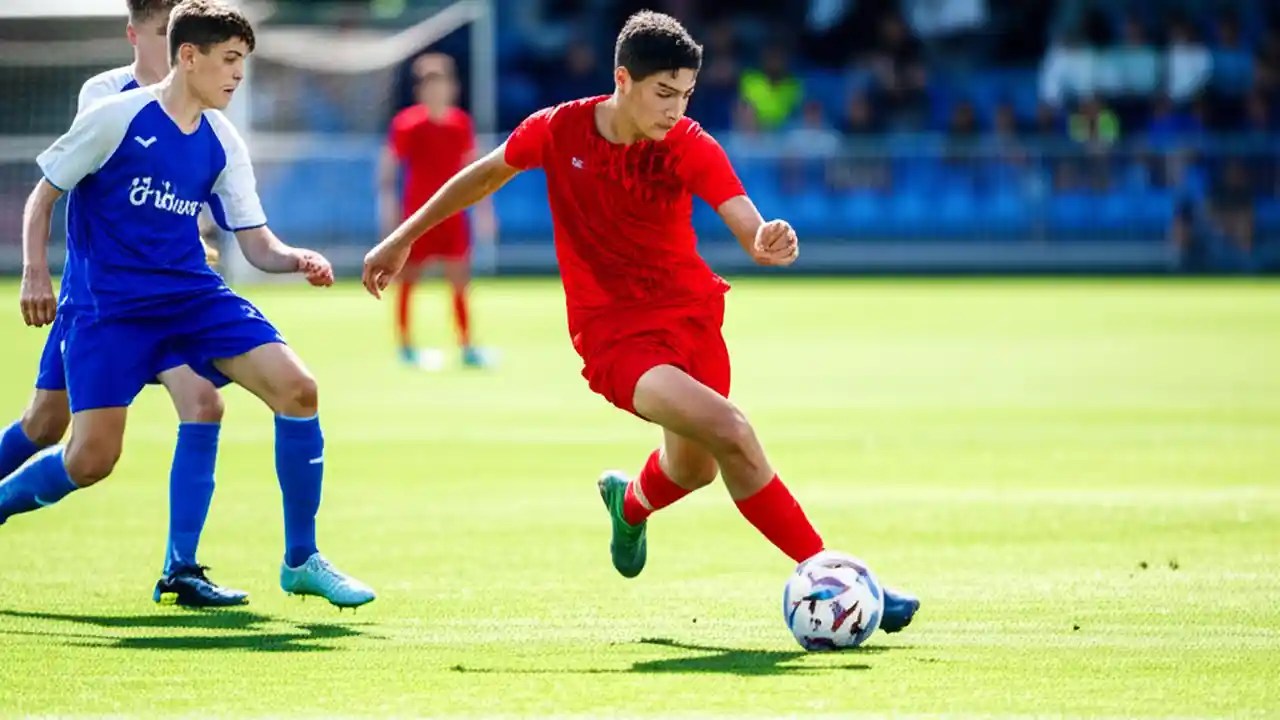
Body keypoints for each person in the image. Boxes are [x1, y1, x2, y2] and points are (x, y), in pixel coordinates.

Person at [364, 11, 917, 631]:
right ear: (622, 80)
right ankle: (835, 576)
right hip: (614, 336)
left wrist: (766, 238)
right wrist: (403, 238)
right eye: (663, 94)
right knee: (731, 429)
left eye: (685, 95)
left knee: (695, 468)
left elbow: (743, 218)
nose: (675, 109)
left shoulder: (688, 143)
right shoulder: (559, 129)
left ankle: (629, 505)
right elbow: (484, 174)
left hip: (690, 320)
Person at [0, 0, 374, 608]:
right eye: (229, 61)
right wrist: (35, 274)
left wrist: (294, 257)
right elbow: (43, 197)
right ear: (188, 56)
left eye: (243, 64)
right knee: (88, 456)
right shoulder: (115, 114)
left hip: (190, 299)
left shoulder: (223, 139)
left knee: (297, 389)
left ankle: (300, 558)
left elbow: (255, 241)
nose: (237, 76)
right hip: (110, 309)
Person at [0, 0, 242, 607]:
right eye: (163, 33)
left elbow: (183, 192)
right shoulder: (107, 97)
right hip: (98, 301)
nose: (175, 45)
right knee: (47, 426)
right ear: (137, 34)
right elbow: (102, 182)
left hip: (163, 299)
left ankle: (181, 568)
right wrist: (38, 270)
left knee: (204, 402)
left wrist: (198, 239)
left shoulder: (203, 112)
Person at [378, 52, 494, 370]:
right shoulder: (407, 125)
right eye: (429, 85)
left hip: (453, 215)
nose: (436, 91)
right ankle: (405, 346)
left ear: (452, 87)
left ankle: (467, 345)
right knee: (408, 278)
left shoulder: (461, 124)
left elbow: (477, 171)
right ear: (419, 90)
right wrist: (390, 213)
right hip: (417, 215)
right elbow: (388, 170)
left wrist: (484, 211)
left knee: (459, 279)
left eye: (441, 84)